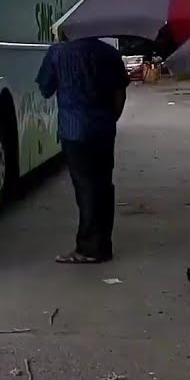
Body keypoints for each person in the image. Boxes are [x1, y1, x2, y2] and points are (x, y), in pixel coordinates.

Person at [36, 36, 130, 264]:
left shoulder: (57, 53)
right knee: (104, 186)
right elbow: (120, 94)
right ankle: (103, 244)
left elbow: (46, 88)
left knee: (85, 188)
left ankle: (89, 249)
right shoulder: (109, 53)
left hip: (73, 130)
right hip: (103, 129)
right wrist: (110, 119)